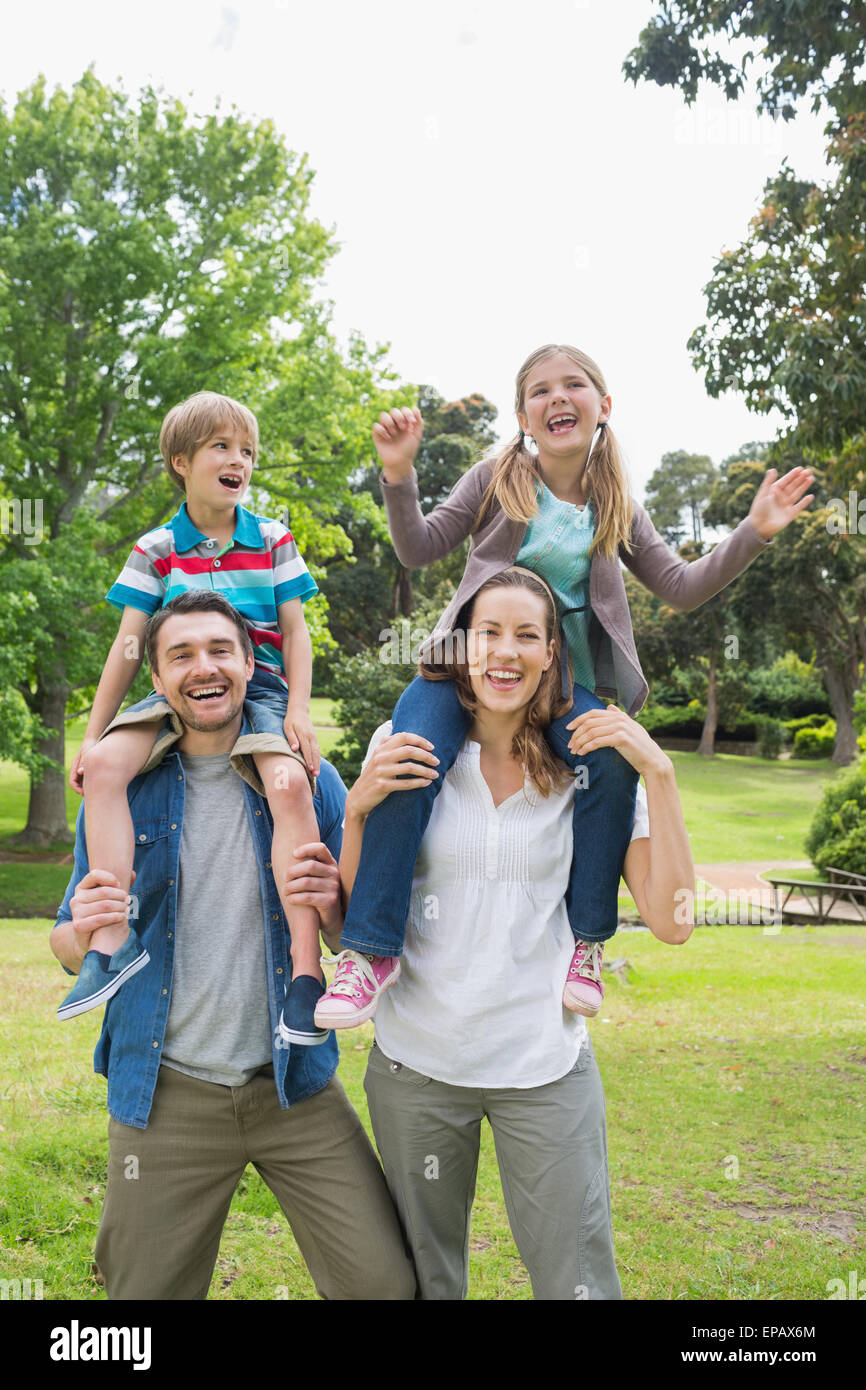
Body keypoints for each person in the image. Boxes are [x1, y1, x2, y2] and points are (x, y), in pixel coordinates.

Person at [315, 344, 814, 1030]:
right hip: (467, 668)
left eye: (573, 385)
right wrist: (398, 476)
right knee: (409, 756)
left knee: (609, 758)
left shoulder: (614, 503)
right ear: (522, 414)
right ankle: (371, 952)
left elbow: (682, 586)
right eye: (540, 390)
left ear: (602, 406)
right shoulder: (495, 479)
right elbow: (418, 547)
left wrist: (754, 531)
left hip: (559, 686)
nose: (557, 398)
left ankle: (586, 944)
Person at [335, 567, 694, 1299]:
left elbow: (671, 920)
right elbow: (346, 923)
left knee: (578, 1283)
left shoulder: (589, 769)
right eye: (489, 632)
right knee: (424, 1281)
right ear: (461, 646)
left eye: (526, 635)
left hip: (544, 1068)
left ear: (551, 654)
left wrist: (657, 771)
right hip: (418, 1067)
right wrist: (356, 813)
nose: (506, 652)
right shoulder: (405, 741)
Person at [50, 591, 416, 1301]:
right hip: (167, 1093)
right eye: (180, 655)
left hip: (292, 1086)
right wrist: (84, 928)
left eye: (220, 650)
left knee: (383, 1285)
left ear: (251, 664)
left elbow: (351, 937)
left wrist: (330, 902)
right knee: (137, 1309)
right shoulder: (124, 790)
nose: (203, 667)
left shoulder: (311, 781)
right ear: (156, 680)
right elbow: (68, 941)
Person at [62, 391, 327, 1046]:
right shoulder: (156, 548)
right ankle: (111, 938)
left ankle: (305, 973)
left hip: (256, 693)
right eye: (222, 447)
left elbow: (296, 633)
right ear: (182, 462)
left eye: (246, 451)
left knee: (291, 786)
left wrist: (297, 709)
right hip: (174, 694)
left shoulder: (271, 537)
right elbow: (127, 648)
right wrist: (94, 736)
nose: (238, 460)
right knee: (102, 768)